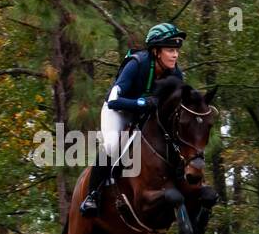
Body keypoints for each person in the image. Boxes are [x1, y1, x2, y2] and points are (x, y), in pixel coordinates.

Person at [79, 22, 185, 217]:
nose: (175, 55)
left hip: (145, 116)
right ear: (155, 51)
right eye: (170, 50)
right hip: (117, 112)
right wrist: (144, 103)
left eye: (176, 50)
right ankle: (92, 195)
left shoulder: (176, 74)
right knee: (112, 146)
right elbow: (114, 101)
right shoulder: (137, 64)